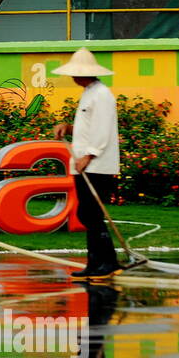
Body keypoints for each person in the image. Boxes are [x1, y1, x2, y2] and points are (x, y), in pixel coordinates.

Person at [51, 47, 121, 279]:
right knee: (87, 213)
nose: (72, 77)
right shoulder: (89, 92)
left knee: (90, 213)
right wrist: (67, 128)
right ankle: (95, 263)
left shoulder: (102, 94)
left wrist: (88, 156)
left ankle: (108, 263)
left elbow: (102, 130)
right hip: (85, 164)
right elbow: (87, 127)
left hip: (96, 164)